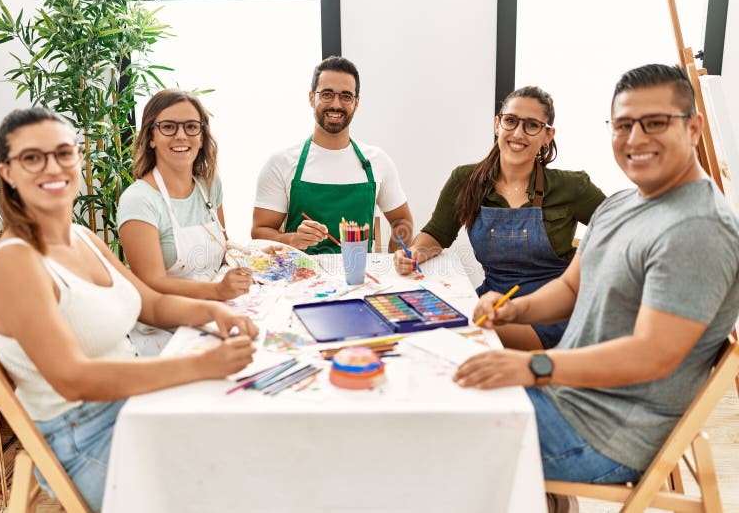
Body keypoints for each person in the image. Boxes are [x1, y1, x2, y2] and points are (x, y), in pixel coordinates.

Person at [453, 64, 739, 510]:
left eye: (656, 123)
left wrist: (534, 368)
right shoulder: (622, 203)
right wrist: (516, 311)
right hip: (567, 398)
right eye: (623, 125)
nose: (636, 138)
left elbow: (652, 354)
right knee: (442, 387)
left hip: (605, 433)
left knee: (436, 431)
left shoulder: (698, 229)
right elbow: (570, 287)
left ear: (695, 128)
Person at [0, 107, 259, 511]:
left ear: (78, 159)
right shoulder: (13, 262)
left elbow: (151, 304)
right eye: (32, 158)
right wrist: (201, 365)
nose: (52, 167)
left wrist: (214, 311)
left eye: (63, 153)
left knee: (246, 451)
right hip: (85, 433)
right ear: (7, 173)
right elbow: (73, 379)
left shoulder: (84, 237)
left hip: (134, 403)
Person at [395, 86, 606, 350]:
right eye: (511, 121)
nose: (518, 133)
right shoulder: (465, 180)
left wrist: (591, 268)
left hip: (553, 311)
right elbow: (438, 234)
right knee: (422, 324)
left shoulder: (573, 186)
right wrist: (415, 252)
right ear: (497, 124)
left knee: (455, 338)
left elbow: (618, 229)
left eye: (531, 125)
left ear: (547, 135)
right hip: (494, 300)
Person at [117, 89, 253, 354]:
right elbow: (152, 282)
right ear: (151, 138)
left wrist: (254, 252)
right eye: (168, 127)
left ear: (202, 137)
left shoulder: (210, 185)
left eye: (191, 127)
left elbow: (222, 246)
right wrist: (217, 292)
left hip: (213, 313)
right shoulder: (139, 200)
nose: (181, 135)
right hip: (165, 330)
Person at [252, 56, 414, 254]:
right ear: (312, 98)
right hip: (301, 280)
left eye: (346, 96)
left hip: (360, 281)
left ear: (356, 102)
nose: (336, 104)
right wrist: (292, 238)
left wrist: (396, 258)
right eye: (327, 94)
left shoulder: (378, 161)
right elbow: (260, 232)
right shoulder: (281, 163)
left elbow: (402, 221)